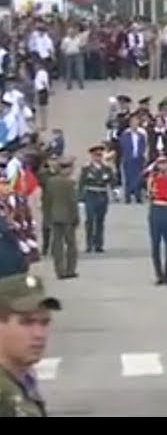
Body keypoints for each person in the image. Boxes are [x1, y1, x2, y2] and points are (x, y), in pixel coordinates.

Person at [0, 273, 61, 417]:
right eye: (26, 323)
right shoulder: (5, 397)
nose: (39, 334)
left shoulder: (21, 380)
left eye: (44, 323)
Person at [39, 158, 78, 280]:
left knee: (57, 244)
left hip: (55, 216)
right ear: (66, 169)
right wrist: (76, 217)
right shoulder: (70, 183)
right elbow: (73, 202)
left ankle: (59, 271)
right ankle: (70, 270)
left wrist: (48, 216)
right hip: (68, 217)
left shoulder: (50, 182)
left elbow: (47, 201)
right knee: (71, 244)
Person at [145, 154, 167, 285]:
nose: (162, 166)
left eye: (164, 163)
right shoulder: (151, 178)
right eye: (160, 163)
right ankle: (159, 275)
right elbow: (139, 185)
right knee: (155, 246)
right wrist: (150, 171)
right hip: (155, 211)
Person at [77, 144, 114, 254]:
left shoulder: (107, 168)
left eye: (100, 155)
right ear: (92, 156)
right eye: (95, 155)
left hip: (102, 196)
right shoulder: (86, 169)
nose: (98, 158)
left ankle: (99, 244)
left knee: (100, 221)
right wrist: (80, 198)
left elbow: (112, 182)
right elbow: (81, 183)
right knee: (90, 220)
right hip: (90, 195)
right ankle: (89, 244)